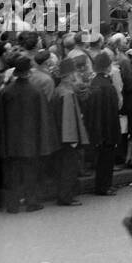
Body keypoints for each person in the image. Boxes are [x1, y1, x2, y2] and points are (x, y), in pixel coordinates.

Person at [0, 56, 50, 212]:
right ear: (28, 71)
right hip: (30, 140)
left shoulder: (6, 92)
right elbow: (42, 118)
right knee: (30, 172)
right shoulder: (36, 91)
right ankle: (31, 201)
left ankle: (12, 205)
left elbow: (1, 119)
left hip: (11, 140)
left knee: (12, 174)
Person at [83, 51, 121, 197]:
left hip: (97, 128)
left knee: (100, 160)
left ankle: (101, 185)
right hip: (107, 129)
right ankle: (105, 186)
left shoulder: (94, 83)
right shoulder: (108, 87)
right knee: (107, 160)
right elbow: (113, 112)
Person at [50, 60, 87, 206]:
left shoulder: (58, 89)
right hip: (67, 138)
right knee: (69, 167)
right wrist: (72, 140)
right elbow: (69, 119)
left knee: (62, 166)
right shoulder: (68, 93)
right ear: (70, 74)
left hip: (59, 136)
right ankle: (66, 196)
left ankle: (63, 195)